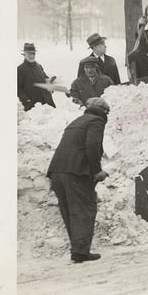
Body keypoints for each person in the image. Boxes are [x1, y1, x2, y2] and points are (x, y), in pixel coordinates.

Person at [46, 97, 111, 263]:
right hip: (75, 172)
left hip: (57, 171)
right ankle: (80, 252)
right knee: (83, 209)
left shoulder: (77, 121)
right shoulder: (96, 121)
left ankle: (78, 250)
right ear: (103, 111)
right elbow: (92, 146)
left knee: (69, 210)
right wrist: (97, 171)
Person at [17, 42, 56, 111]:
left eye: (33, 53)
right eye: (29, 53)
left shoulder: (39, 66)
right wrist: (26, 100)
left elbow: (45, 78)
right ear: (24, 54)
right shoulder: (20, 69)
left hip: (47, 102)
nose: (32, 55)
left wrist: (49, 81)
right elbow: (17, 88)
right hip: (33, 106)